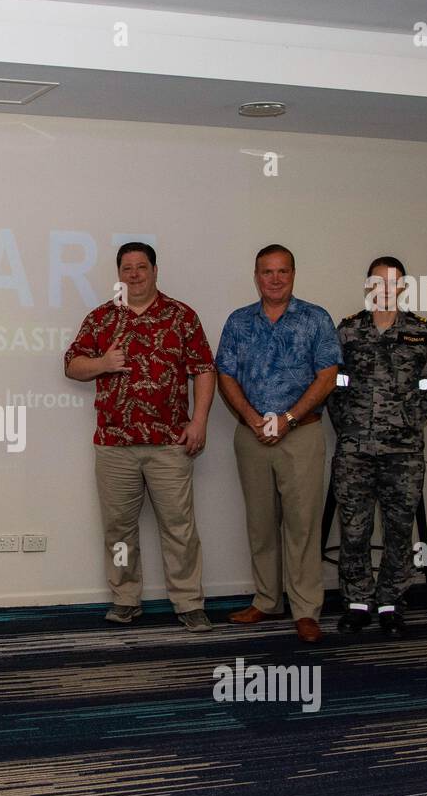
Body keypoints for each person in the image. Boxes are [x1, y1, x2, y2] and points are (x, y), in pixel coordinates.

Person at [64, 243, 217, 631]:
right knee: (118, 530)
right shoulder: (102, 318)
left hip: (170, 443)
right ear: (119, 273)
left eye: (141, 267)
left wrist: (198, 421)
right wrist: (102, 364)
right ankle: (124, 597)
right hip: (115, 444)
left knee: (179, 527)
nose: (134, 274)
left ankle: (188, 602)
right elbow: (72, 365)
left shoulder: (181, 316)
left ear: (154, 270)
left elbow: (203, 369)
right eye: (127, 268)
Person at [216, 244, 341, 643]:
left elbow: (328, 376)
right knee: (260, 523)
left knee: (303, 525)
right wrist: (254, 419)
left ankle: (306, 609)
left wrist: (288, 419)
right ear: (256, 276)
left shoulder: (315, 319)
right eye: (267, 272)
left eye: (282, 271)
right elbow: (226, 376)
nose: (274, 279)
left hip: (301, 433)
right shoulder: (239, 322)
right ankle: (267, 600)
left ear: (293, 275)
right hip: (251, 434)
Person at [327, 256, 427, 638]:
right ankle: (358, 602)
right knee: (355, 530)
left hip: (403, 453)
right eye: (377, 281)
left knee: (398, 530)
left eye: (392, 282)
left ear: (403, 287)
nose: (384, 288)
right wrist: (349, 424)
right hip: (355, 450)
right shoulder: (347, 332)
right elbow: (334, 385)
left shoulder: (421, 333)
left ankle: (393, 602)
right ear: (368, 286)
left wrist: (409, 419)